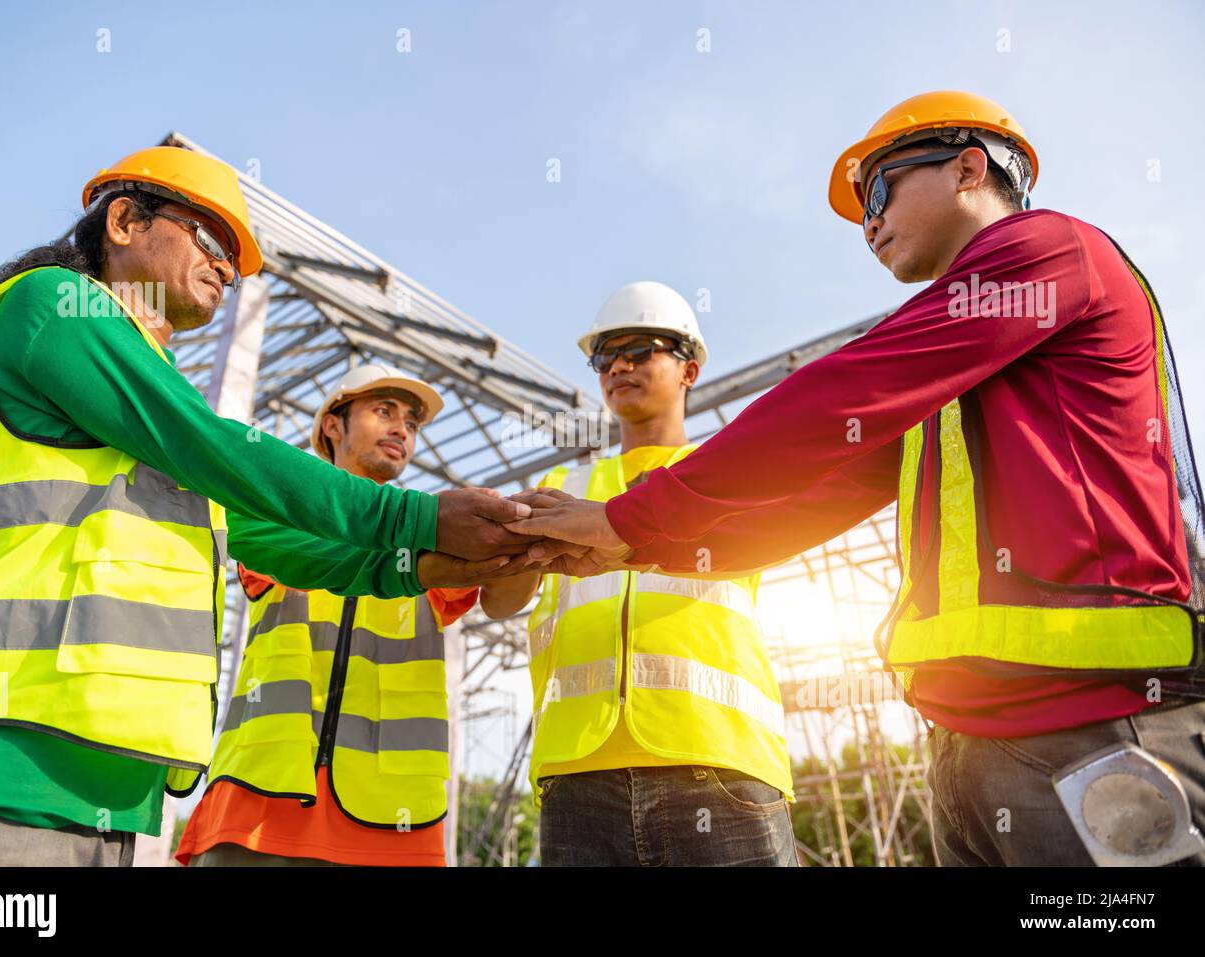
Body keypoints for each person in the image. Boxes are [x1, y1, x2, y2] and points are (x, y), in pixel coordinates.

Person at [508, 91, 1205, 866]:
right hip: (970, 746)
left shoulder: (1049, 252)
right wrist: (627, 547)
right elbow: (802, 509)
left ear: (970, 166)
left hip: (1096, 723)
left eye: (879, 191)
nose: (868, 225)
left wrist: (624, 519)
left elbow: (841, 393)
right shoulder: (958, 354)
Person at [0, 146, 538, 867]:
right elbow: (213, 444)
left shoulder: (144, 402)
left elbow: (281, 543)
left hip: (108, 788)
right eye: (211, 241)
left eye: (234, 265)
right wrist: (417, 518)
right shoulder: (49, 304)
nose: (226, 272)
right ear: (122, 220)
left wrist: (439, 555)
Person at [482, 282, 796, 867]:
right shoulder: (561, 487)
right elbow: (499, 603)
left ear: (690, 370)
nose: (618, 365)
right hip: (580, 775)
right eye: (604, 356)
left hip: (716, 760)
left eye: (640, 348)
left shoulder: (730, 472)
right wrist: (515, 548)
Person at [178, 365, 476, 866]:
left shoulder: (433, 538)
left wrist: (528, 534)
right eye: (384, 411)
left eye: (412, 422)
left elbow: (504, 586)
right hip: (260, 810)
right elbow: (321, 547)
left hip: (391, 823)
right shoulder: (276, 513)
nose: (402, 428)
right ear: (332, 427)